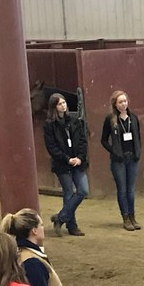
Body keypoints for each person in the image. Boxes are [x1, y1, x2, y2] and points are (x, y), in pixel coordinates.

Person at [43, 93, 89, 237]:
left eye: (64, 103)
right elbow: (51, 147)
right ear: (54, 107)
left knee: (83, 190)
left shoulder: (74, 121)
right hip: (62, 164)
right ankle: (72, 226)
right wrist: (67, 159)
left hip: (78, 162)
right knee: (68, 192)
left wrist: (80, 158)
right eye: (60, 104)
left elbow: (83, 140)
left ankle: (60, 217)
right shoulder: (50, 125)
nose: (63, 105)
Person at [100, 90, 142, 231]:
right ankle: (125, 218)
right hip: (118, 161)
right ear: (115, 104)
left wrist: (137, 152)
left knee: (131, 190)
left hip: (132, 158)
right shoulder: (110, 119)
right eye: (120, 102)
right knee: (122, 190)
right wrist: (115, 151)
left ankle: (132, 216)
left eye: (125, 101)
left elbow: (138, 137)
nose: (124, 104)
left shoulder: (133, 118)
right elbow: (103, 140)